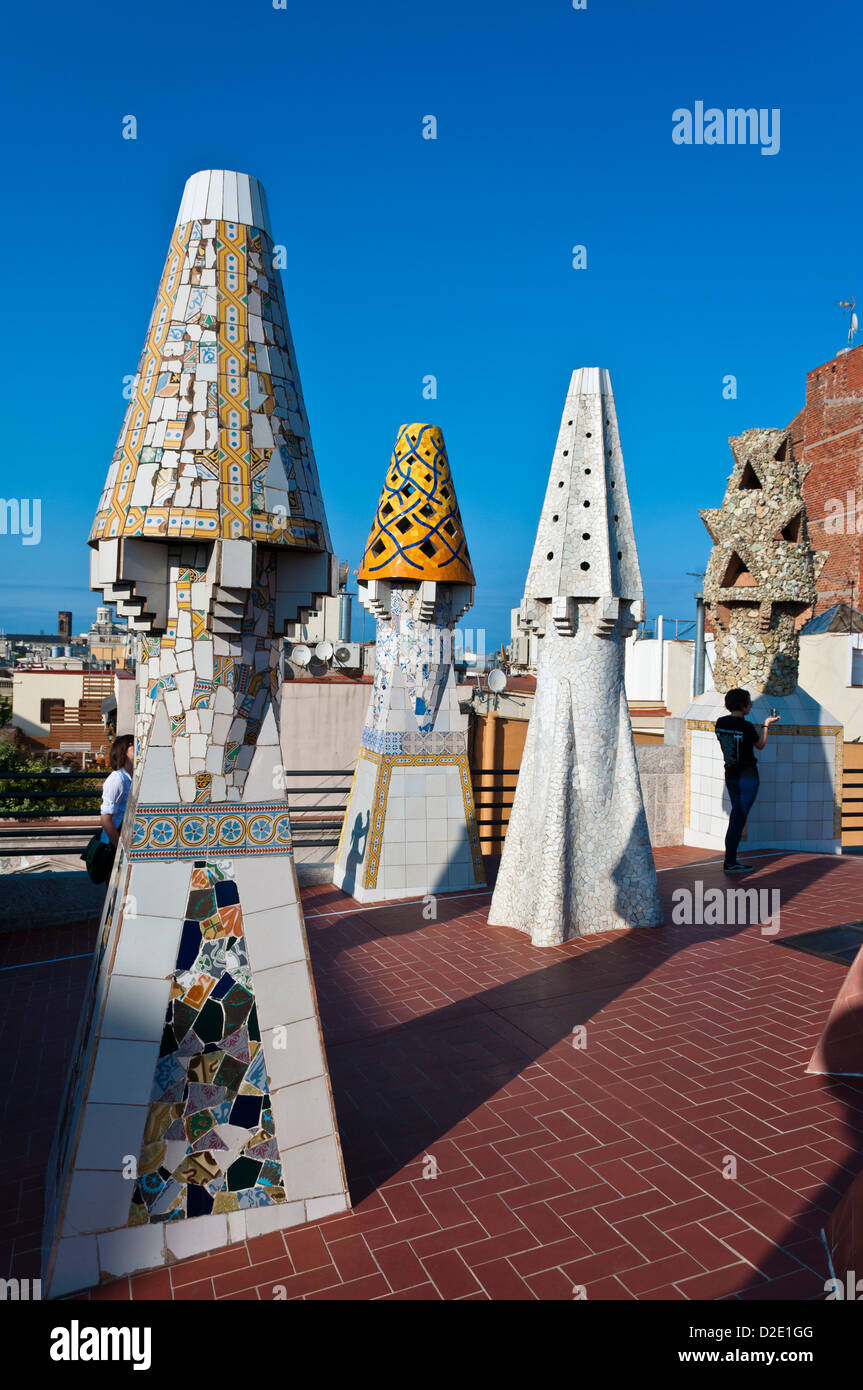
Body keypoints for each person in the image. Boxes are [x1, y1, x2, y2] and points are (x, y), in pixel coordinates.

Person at [715, 689, 780, 873]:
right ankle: (730, 862)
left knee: (736, 816)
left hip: (730, 776)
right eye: (749, 703)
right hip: (748, 778)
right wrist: (766, 725)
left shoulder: (720, 723)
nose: (751, 705)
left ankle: (731, 860)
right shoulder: (747, 727)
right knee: (737, 819)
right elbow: (760, 744)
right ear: (743, 705)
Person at [99, 734, 134, 849]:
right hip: (112, 845)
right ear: (123, 751)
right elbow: (105, 819)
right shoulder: (117, 779)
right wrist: (120, 848)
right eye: (135, 746)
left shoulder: (131, 777)